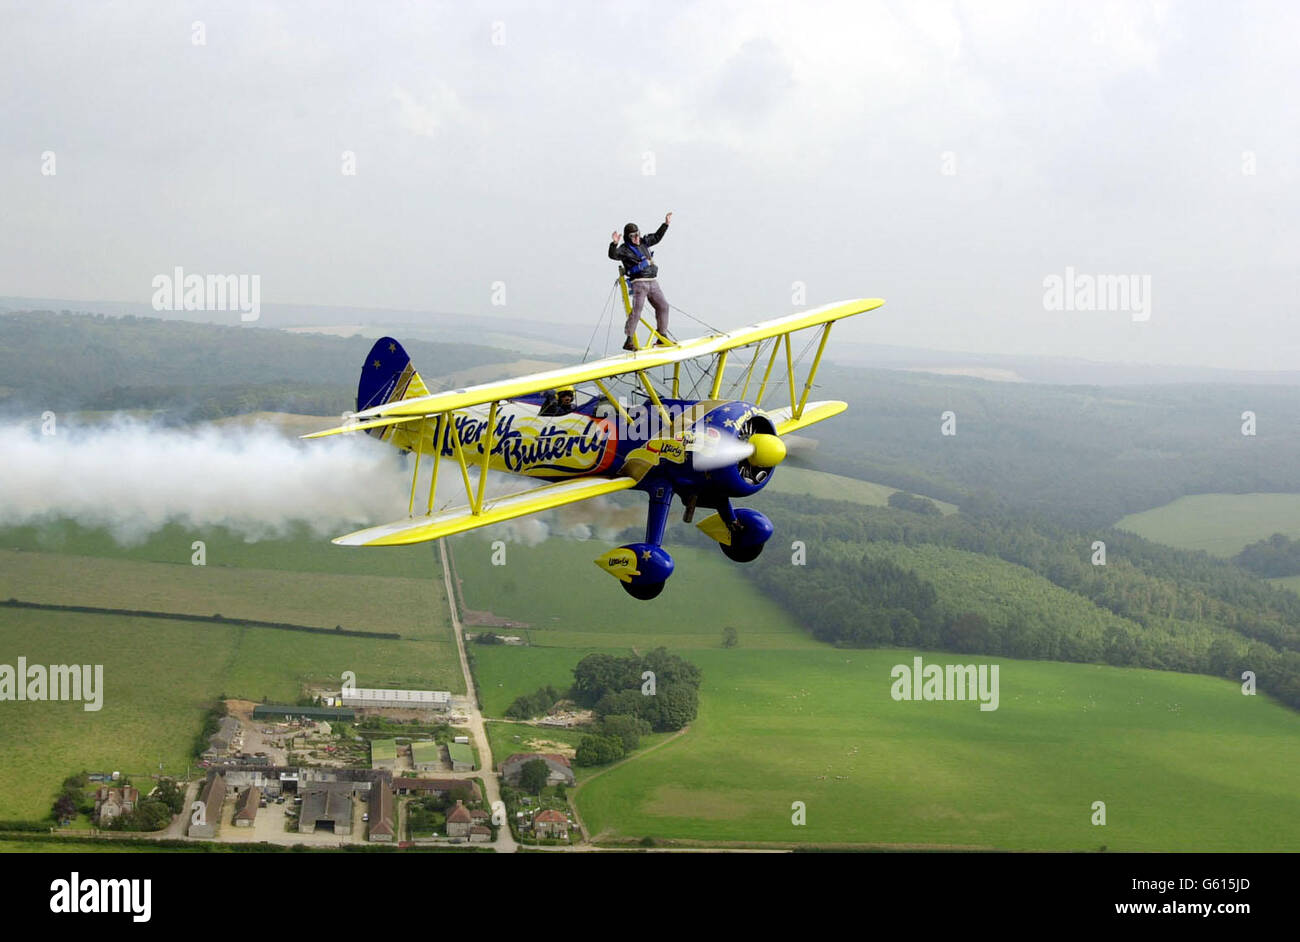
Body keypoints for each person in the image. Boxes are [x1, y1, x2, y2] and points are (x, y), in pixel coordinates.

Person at [609, 212, 673, 350]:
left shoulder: (644, 241)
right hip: (639, 283)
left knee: (663, 306)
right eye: (633, 236)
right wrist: (614, 244)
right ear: (628, 237)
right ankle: (629, 339)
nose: (637, 238)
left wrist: (666, 224)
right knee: (637, 310)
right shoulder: (624, 249)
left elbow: (656, 237)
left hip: (653, 282)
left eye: (637, 234)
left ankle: (662, 335)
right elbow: (613, 255)